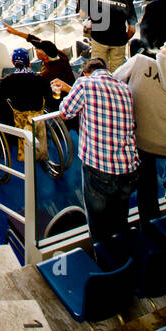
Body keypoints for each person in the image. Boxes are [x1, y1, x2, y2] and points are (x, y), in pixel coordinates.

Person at [56, 58, 139, 245]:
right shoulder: (125, 88)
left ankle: (108, 268)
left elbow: (65, 112)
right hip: (129, 167)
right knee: (120, 220)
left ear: (86, 72)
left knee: (98, 227)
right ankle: (127, 259)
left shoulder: (84, 83)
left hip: (99, 168)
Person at [115, 35, 166, 223]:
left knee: (146, 182)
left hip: (140, 141)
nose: (160, 46)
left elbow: (113, 83)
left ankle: (149, 222)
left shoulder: (139, 62)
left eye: (165, 46)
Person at [4, 26, 75, 87]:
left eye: (38, 49)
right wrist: (16, 32)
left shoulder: (47, 74)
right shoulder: (60, 54)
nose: (35, 48)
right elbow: (35, 40)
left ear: (45, 58)